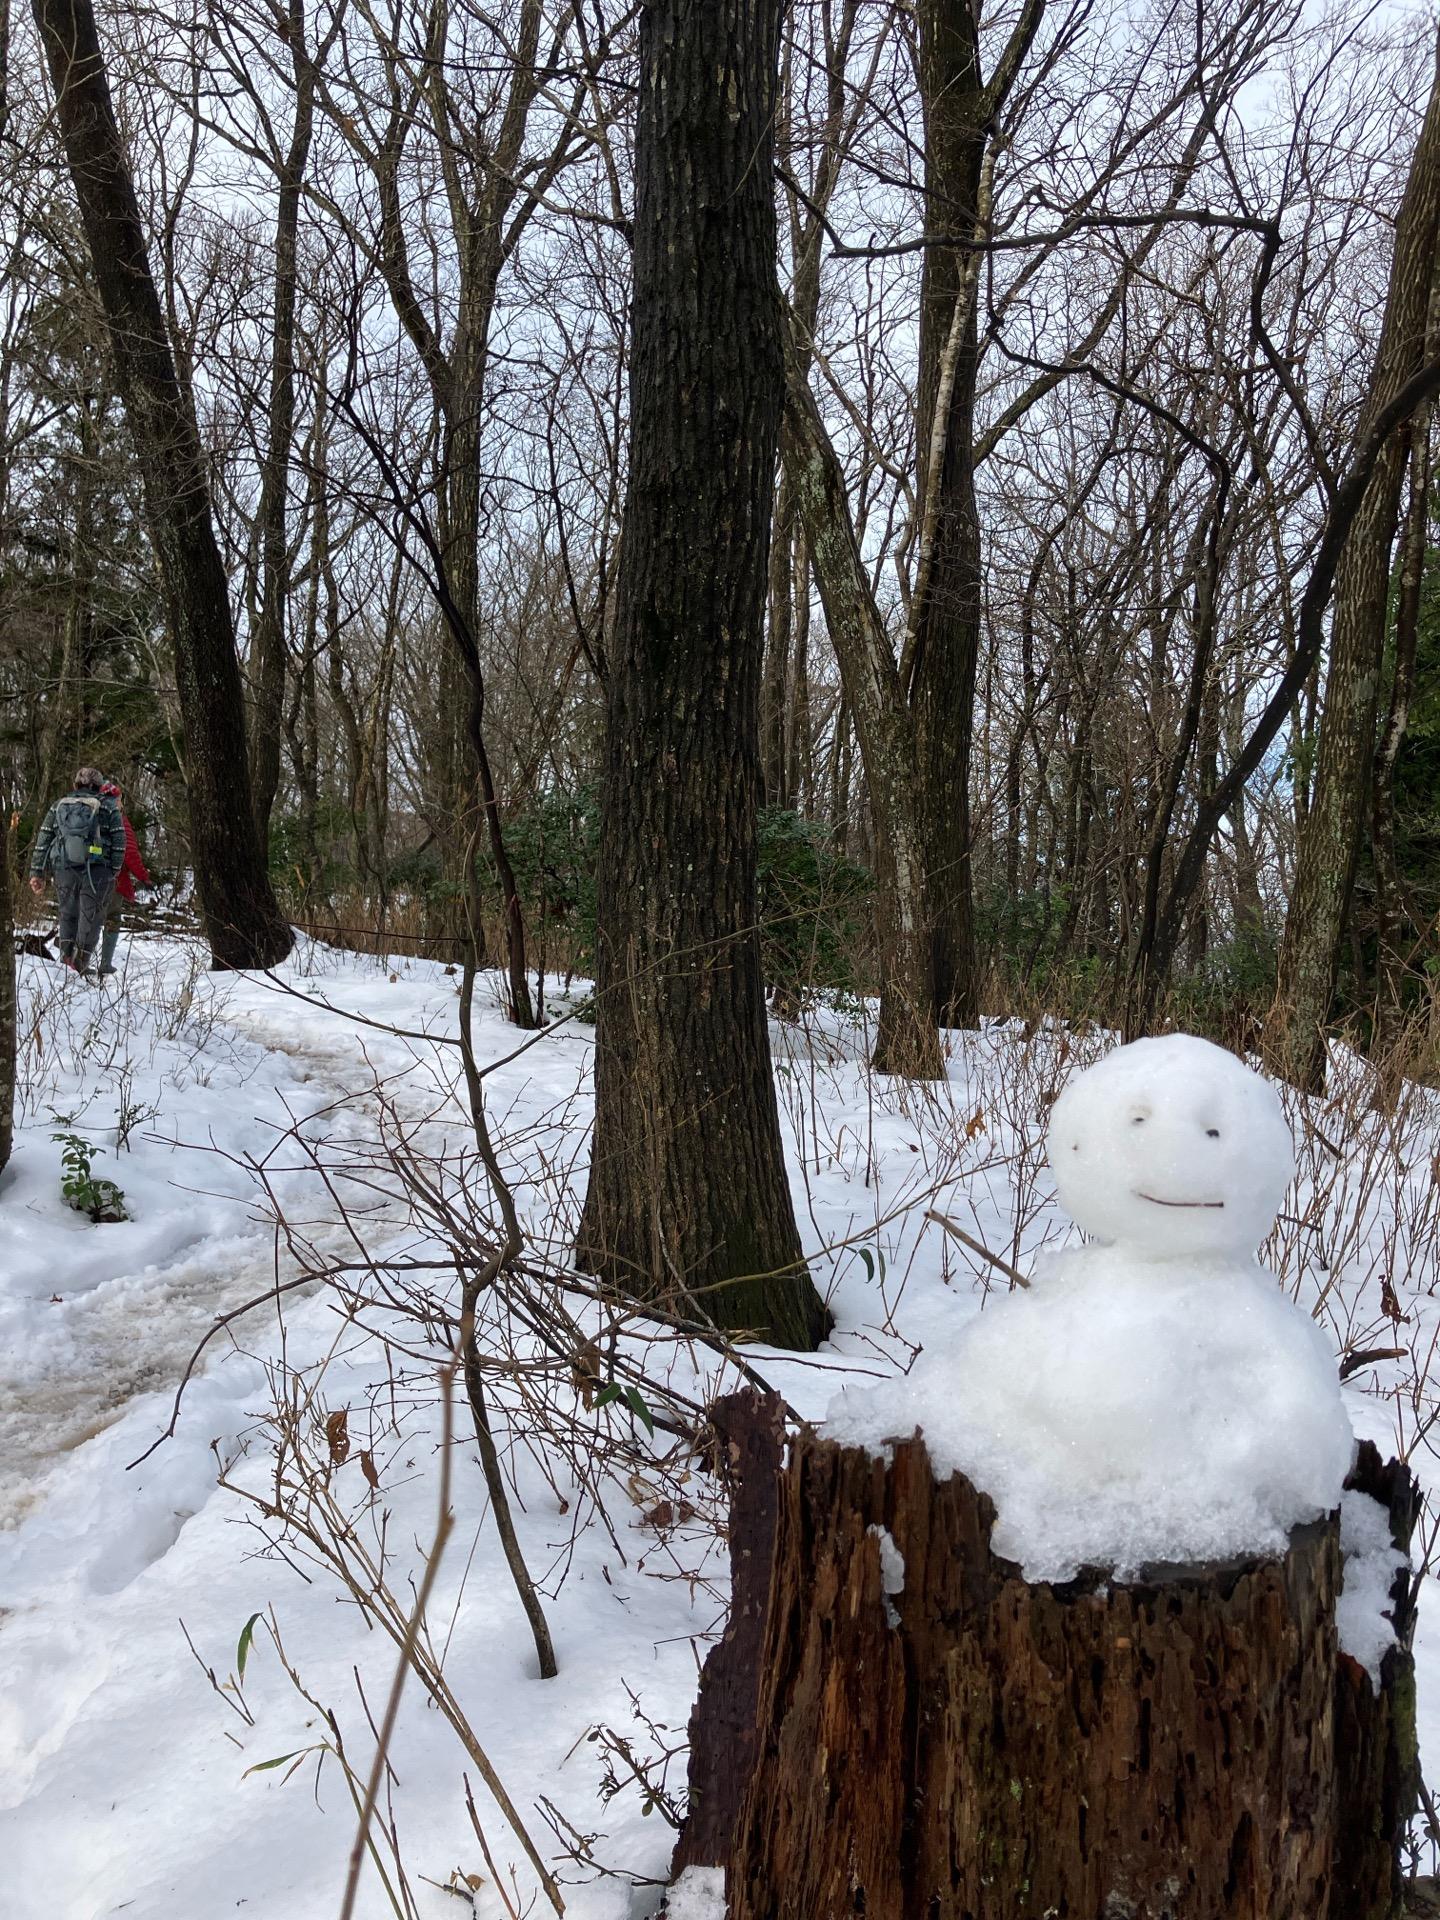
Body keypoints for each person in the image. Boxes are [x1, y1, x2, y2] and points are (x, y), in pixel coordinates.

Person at [28, 766, 125, 977]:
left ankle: (65, 962)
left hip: (64, 868)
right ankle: (80, 962)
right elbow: (119, 841)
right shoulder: (108, 807)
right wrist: (114, 869)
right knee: (92, 917)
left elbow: (44, 838)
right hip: (98, 869)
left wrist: (37, 871)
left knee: (67, 914)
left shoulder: (59, 805)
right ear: (99, 786)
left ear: (75, 784)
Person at [97, 781, 151, 977]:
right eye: (120, 799)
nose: (121, 803)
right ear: (116, 800)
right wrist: (144, 877)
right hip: (113, 879)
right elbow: (130, 853)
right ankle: (105, 963)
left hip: (89, 876)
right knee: (112, 918)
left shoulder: (91, 817)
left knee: (88, 917)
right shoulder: (119, 820)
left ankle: (77, 959)